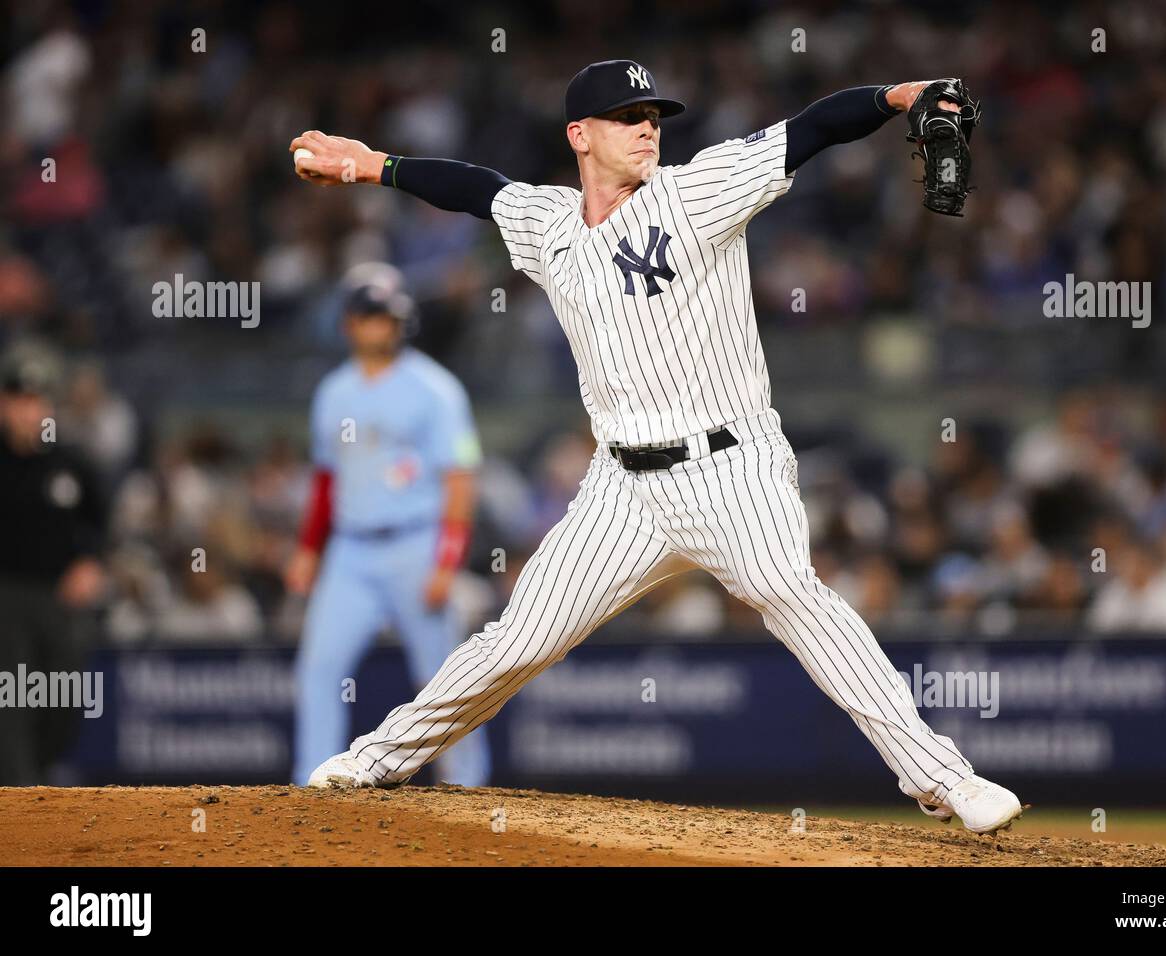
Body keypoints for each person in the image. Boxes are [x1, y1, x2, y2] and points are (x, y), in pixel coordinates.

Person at [289, 61, 1022, 832]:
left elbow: (811, 129)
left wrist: (897, 98)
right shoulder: (549, 225)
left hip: (731, 466)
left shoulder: (699, 191)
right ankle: (377, 758)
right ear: (580, 135)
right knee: (518, 640)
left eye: (653, 114)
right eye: (626, 114)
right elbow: (474, 187)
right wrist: (374, 166)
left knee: (792, 593)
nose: (648, 127)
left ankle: (945, 778)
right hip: (623, 488)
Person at [284, 265, 489, 787]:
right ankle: (311, 785)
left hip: (415, 543)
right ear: (351, 323)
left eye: (389, 317)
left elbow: (460, 481)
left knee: (446, 680)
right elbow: (328, 480)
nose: (381, 327)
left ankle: (466, 787)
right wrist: (310, 550)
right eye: (371, 316)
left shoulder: (435, 389)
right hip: (351, 552)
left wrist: (447, 560)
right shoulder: (333, 392)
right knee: (319, 669)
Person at [0, 345, 107, 784]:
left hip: (57, 598)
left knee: (63, 693)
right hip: (4, 596)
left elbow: (98, 522)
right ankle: (16, 789)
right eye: (23, 400)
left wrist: (90, 562)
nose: (32, 411)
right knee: (12, 694)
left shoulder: (71, 464)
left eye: (40, 400)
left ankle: (37, 777)